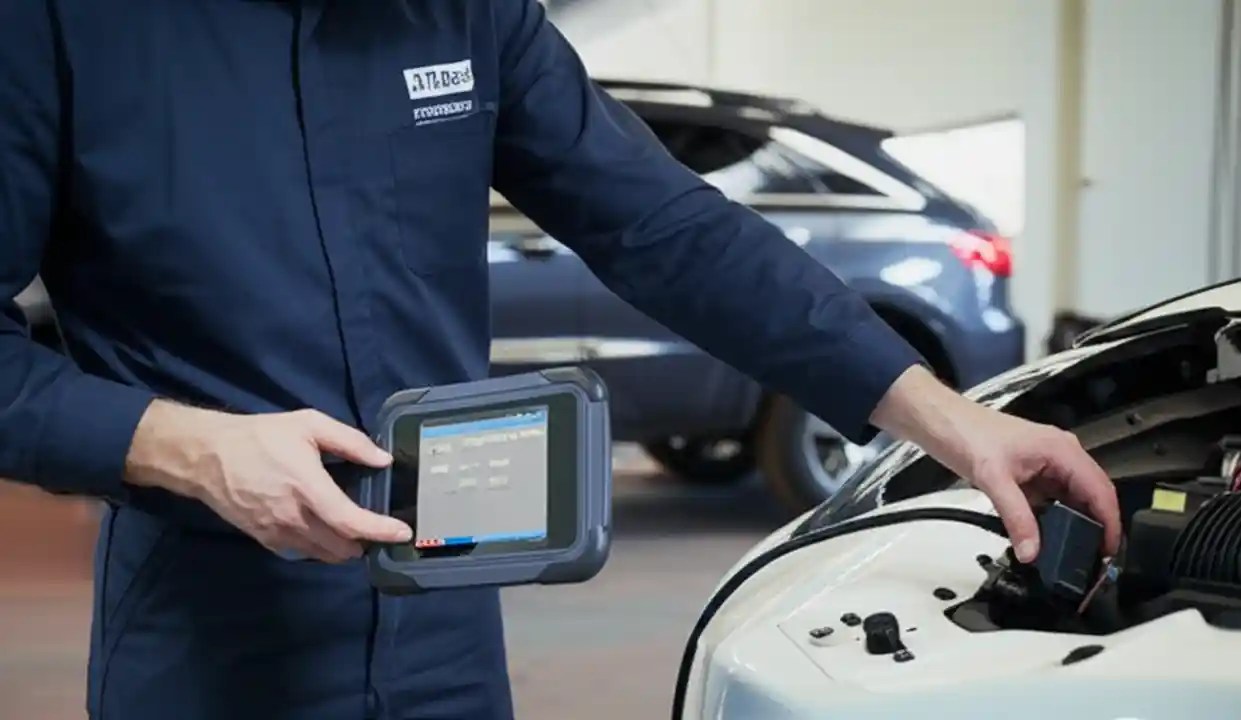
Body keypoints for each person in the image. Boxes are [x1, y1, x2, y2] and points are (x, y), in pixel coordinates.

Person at [0, 1, 1119, 718]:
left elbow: (668, 230)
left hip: (446, 629)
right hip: (204, 649)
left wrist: (951, 420)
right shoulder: (59, 25)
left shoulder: (470, 16)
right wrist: (180, 446)